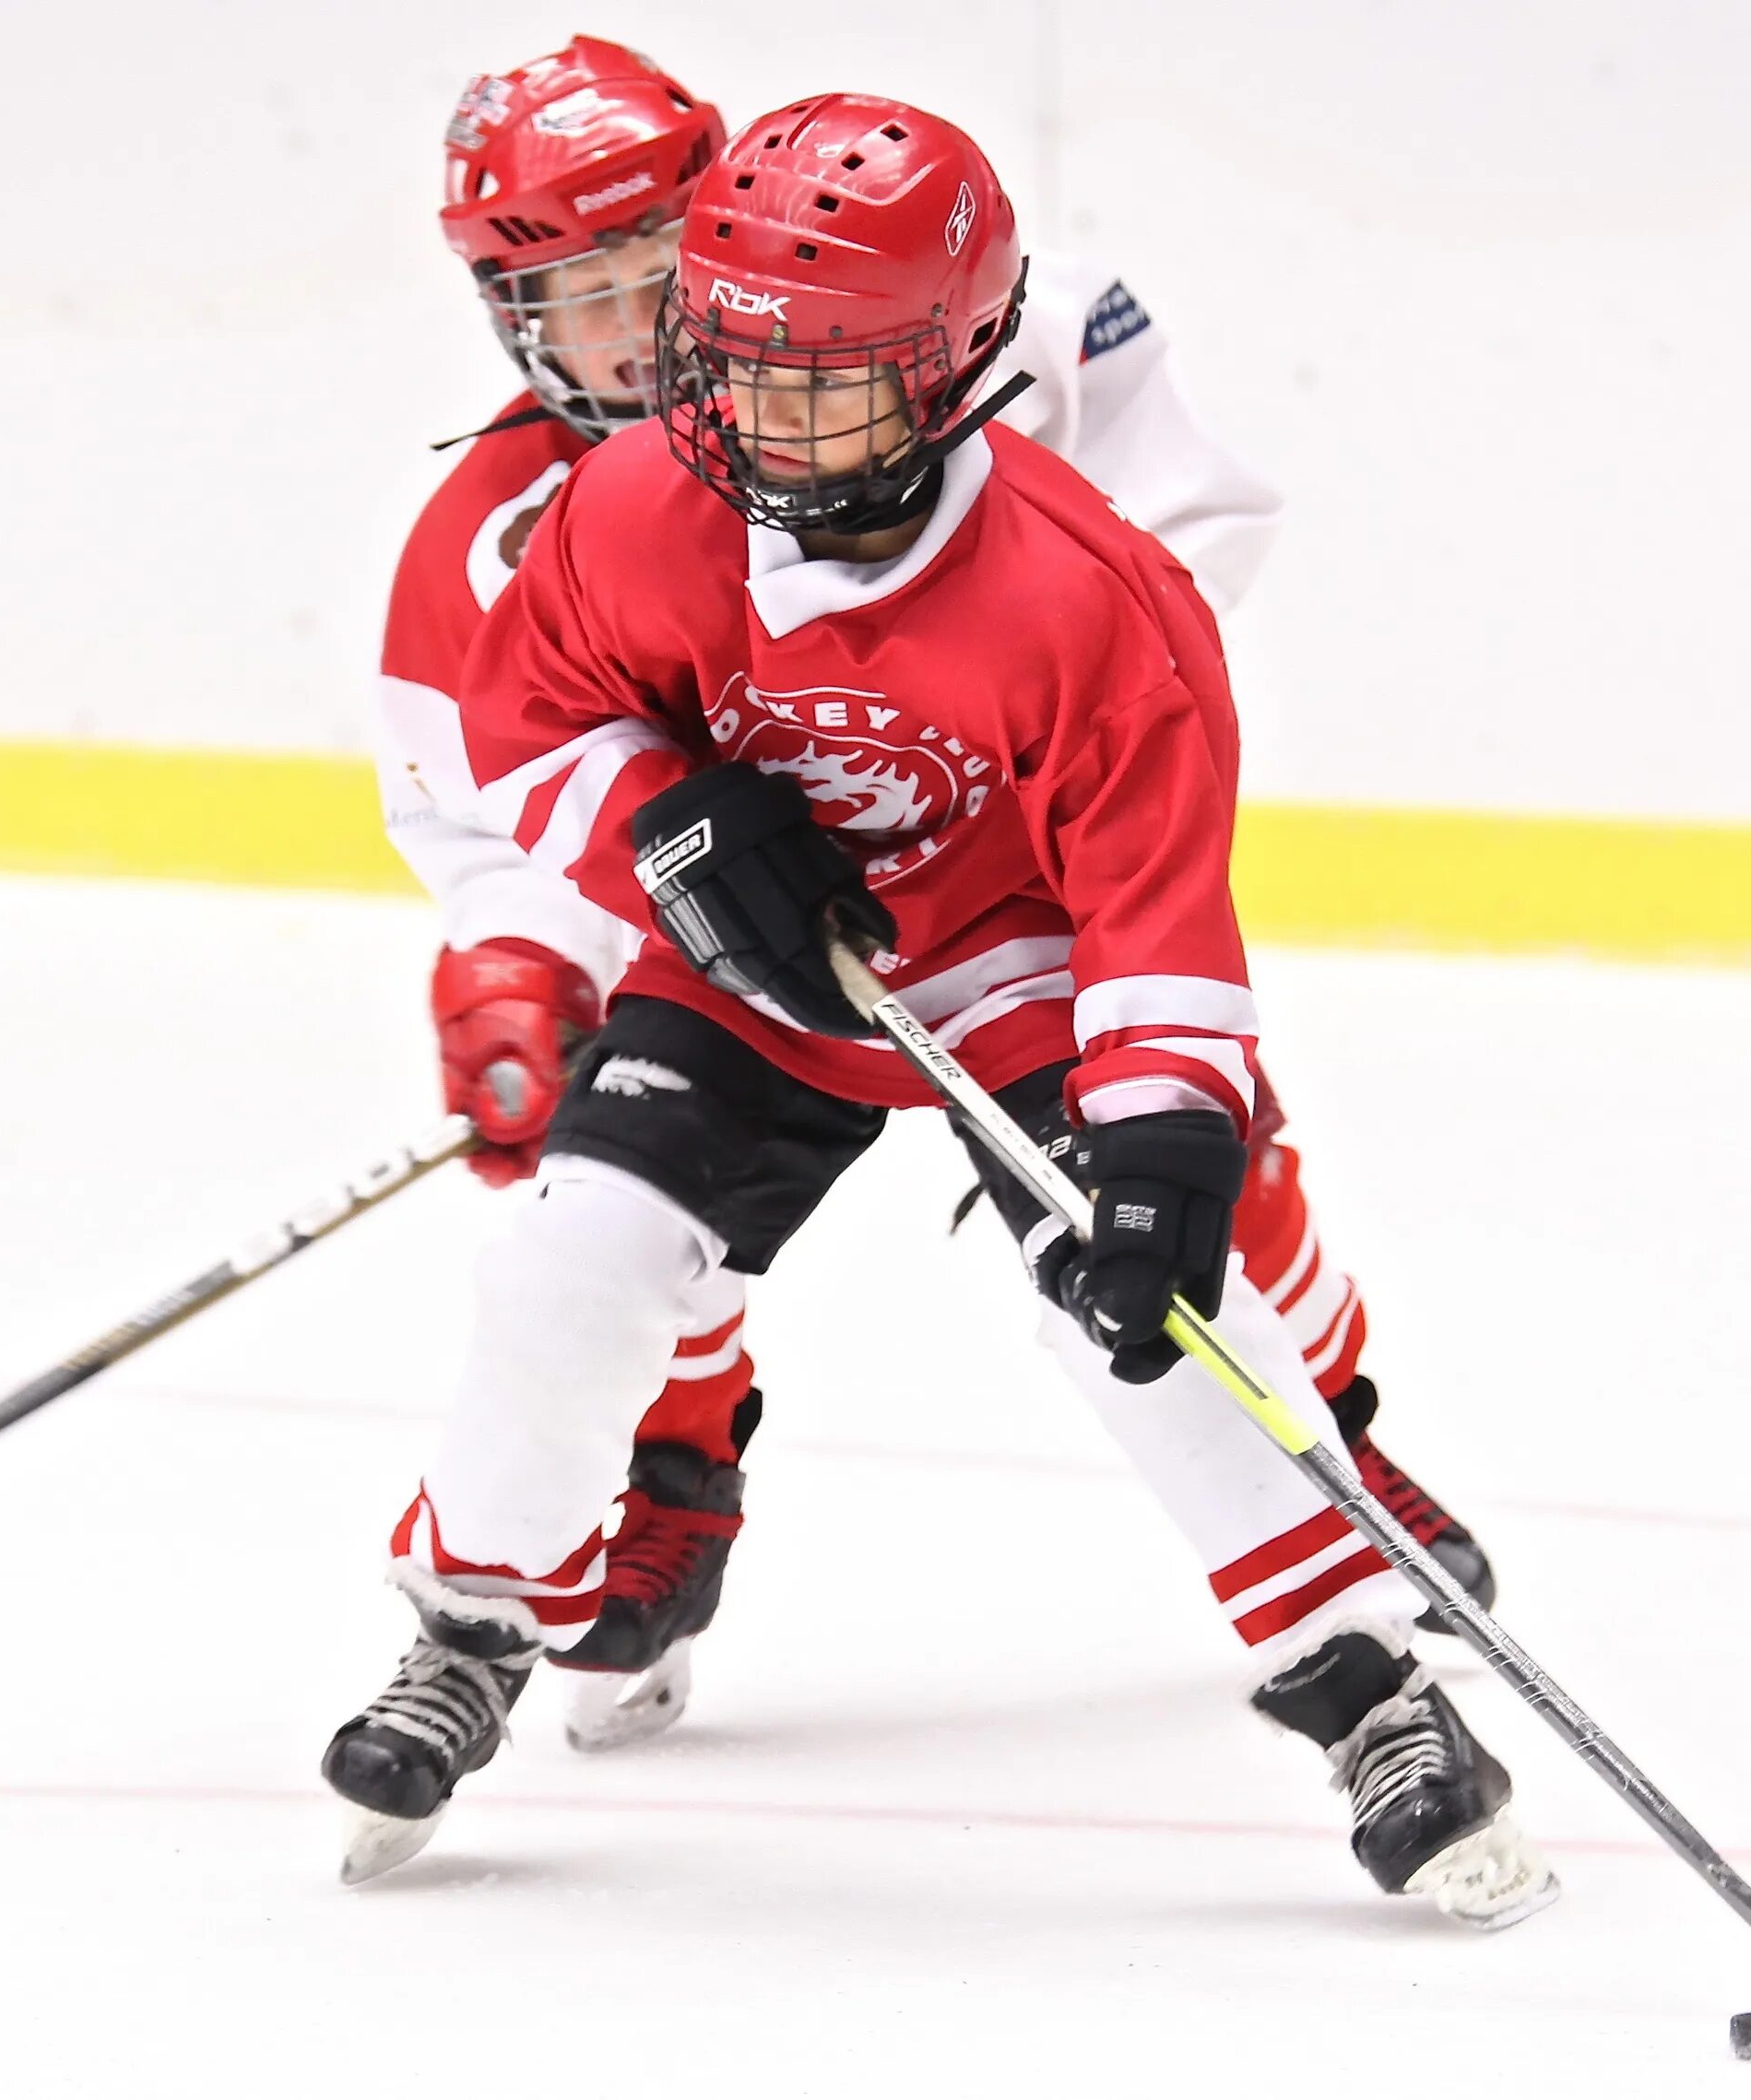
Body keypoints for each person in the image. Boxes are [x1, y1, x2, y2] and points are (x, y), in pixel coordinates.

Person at [330, 92, 1556, 1934]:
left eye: (826, 378)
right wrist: (659, 825)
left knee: (1156, 1307)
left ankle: (1365, 1683)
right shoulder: (634, 501)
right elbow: (529, 728)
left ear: (965, 364)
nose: (765, 416)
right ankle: (474, 1627)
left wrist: (1159, 1134)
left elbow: (1153, 911)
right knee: (568, 1251)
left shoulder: (1098, 598)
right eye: (730, 362)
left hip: (1009, 974)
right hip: (757, 983)